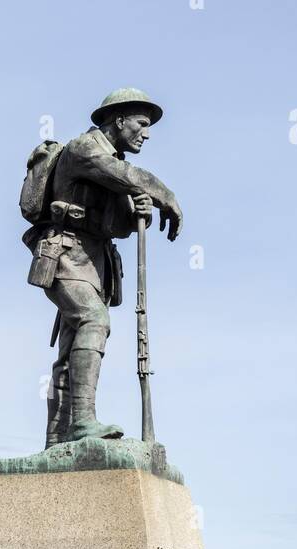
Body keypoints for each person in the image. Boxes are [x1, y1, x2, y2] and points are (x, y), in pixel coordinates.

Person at [25, 88, 184, 446]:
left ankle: (58, 440)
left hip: (92, 262)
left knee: (69, 353)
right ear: (119, 120)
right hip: (63, 252)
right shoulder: (86, 149)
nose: (147, 133)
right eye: (141, 124)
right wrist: (165, 194)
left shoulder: (110, 165)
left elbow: (113, 224)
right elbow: (125, 174)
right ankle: (82, 423)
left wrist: (136, 214)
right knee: (93, 320)